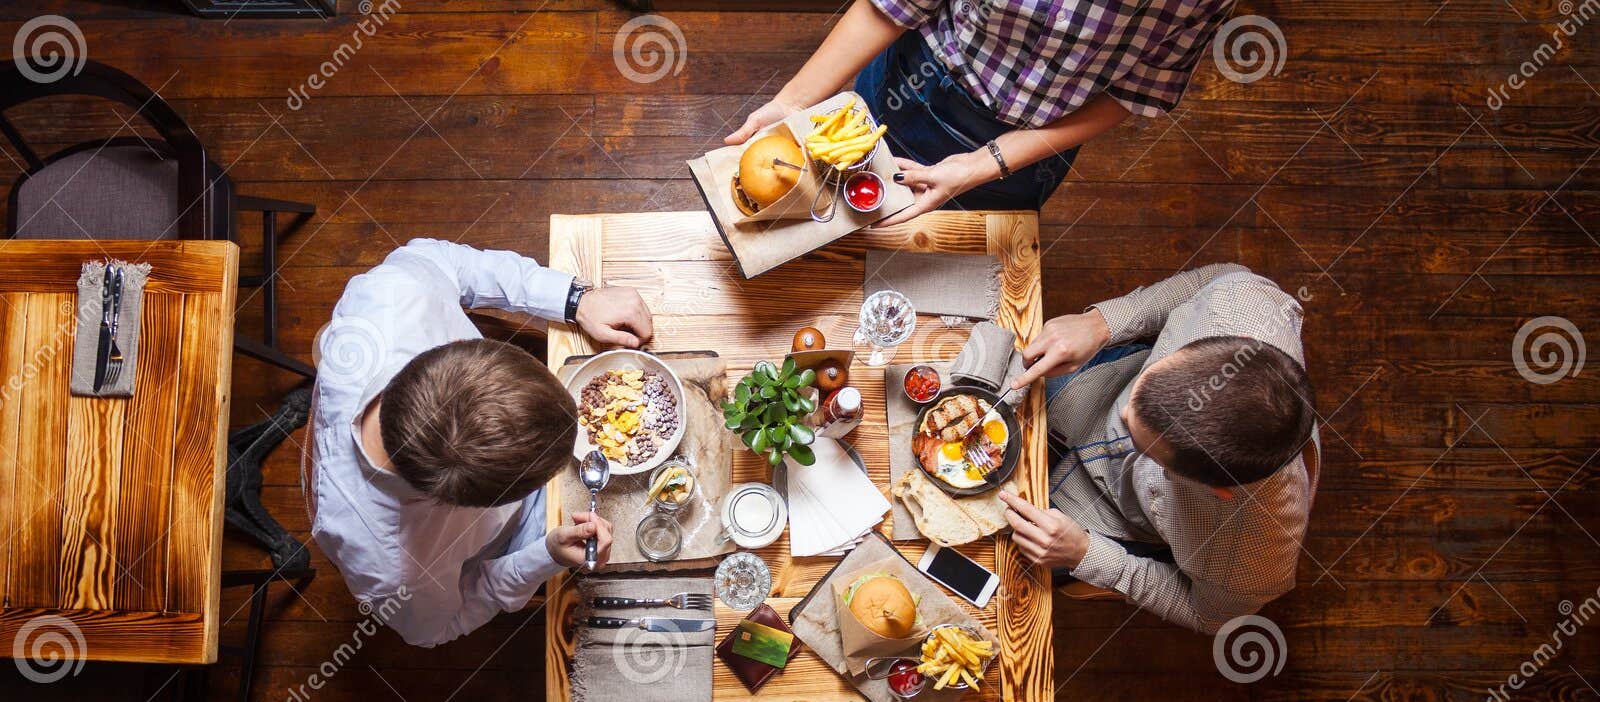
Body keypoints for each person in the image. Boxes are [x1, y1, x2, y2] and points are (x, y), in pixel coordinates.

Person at [307, 238, 653, 647]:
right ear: (471, 505)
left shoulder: (390, 295)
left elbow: (446, 261)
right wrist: (545, 556)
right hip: (513, 535)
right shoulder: (395, 570)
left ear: (462, 351)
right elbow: (440, 627)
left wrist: (575, 299)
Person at [997, 264, 1319, 635]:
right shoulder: (1239, 303)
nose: (1123, 415)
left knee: (999, 557)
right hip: (1097, 386)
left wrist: (1088, 555)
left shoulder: (1249, 559)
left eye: (1143, 445)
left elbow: (1209, 616)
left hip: (1101, 514)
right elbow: (1218, 277)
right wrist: (1103, 325)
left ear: (1220, 491)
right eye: (1142, 393)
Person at [726, 0, 1234, 223]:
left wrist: (982, 163)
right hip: (913, 88)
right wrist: (792, 102)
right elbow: (897, 3)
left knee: (949, 266)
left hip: (1026, 151)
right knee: (830, 206)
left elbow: (1133, 92)